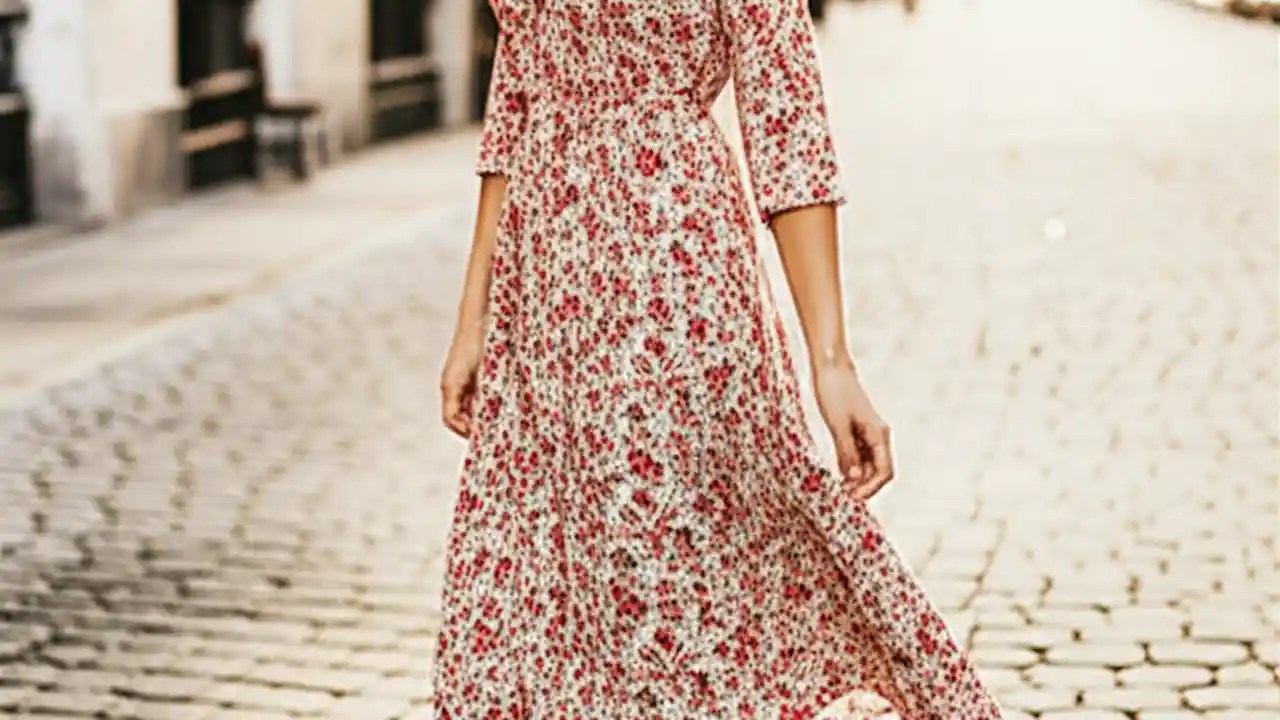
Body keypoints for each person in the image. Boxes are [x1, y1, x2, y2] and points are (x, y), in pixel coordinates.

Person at [433, 0, 1003, 717]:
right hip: (542, 288)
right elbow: (519, 87)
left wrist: (831, 360)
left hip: (668, 266)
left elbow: (783, 107)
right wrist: (474, 314)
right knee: (544, 589)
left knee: (663, 578)